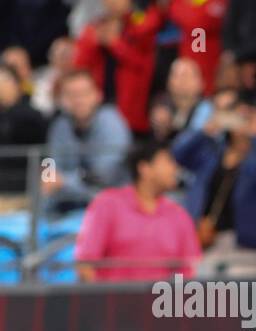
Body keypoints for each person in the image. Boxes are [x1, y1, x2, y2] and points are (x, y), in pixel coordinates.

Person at [171, 90, 256, 274]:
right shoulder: (213, 152)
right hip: (208, 239)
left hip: (246, 244)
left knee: (243, 300)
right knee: (204, 298)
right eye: (237, 115)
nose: (241, 122)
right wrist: (204, 131)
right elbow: (178, 154)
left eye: (247, 116)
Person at [74, 139, 200, 281]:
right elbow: (85, 264)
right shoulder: (107, 204)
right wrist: (104, 301)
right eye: (168, 161)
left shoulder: (179, 216)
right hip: (112, 302)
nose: (175, 168)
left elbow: (189, 272)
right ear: (145, 168)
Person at [44, 68, 132, 211]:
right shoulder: (60, 126)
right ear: (62, 99)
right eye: (71, 95)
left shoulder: (111, 122)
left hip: (114, 207)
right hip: (71, 206)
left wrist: (64, 182)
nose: (78, 100)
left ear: (97, 95)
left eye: (84, 93)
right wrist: (52, 180)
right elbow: (50, 168)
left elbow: (103, 176)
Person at [72, 0, 164, 135]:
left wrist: (115, 44)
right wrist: (96, 41)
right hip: (98, 110)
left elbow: (143, 64)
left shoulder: (141, 23)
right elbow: (80, 66)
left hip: (133, 114)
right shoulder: (95, 28)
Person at [0, 62, 47, 193]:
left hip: (25, 190)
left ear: (17, 84)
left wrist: (47, 180)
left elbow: (47, 154)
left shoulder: (32, 116)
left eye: (5, 80)